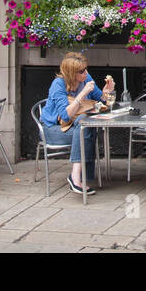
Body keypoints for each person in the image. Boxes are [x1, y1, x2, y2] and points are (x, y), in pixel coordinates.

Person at [40, 51, 113, 196]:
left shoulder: (86, 78)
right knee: (85, 128)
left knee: (84, 124)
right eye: (81, 71)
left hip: (75, 126)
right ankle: (76, 177)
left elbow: (102, 99)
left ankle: (77, 176)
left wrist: (107, 92)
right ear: (71, 73)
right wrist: (82, 93)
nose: (86, 73)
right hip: (53, 129)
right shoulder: (58, 85)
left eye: (86, 69)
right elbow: (66, 116)